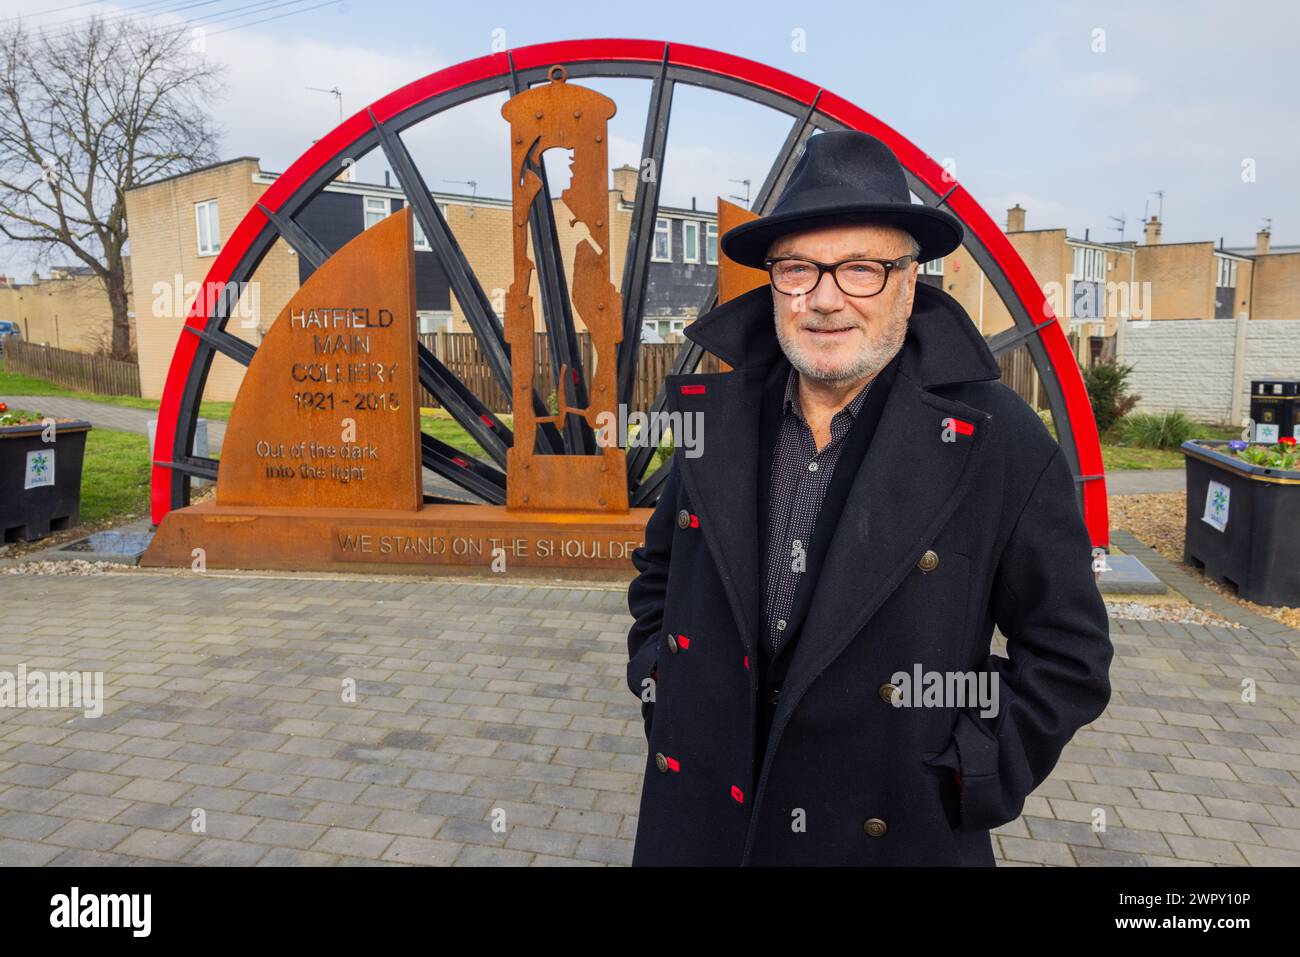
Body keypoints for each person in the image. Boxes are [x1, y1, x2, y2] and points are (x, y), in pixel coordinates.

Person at [624, 130, 1113, 866]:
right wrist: (661, 681)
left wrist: (967, 772)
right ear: (774, 282)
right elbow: (660, 576)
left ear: (910, 283)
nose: (824, 300)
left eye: (860, 269)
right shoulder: (711, 417)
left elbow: (1069, 655)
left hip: (889, 836)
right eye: (797, 270)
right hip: (705, 827)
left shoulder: (997, 441)